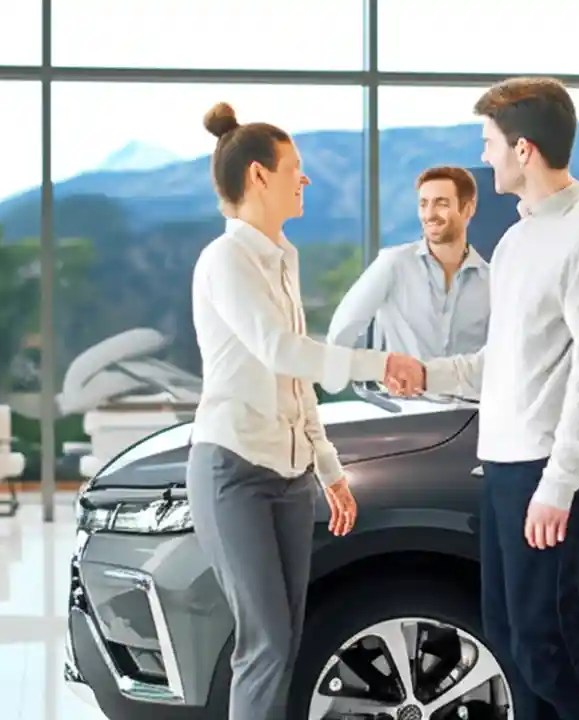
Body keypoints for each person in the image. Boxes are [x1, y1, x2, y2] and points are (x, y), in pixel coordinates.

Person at [396, 77, 579, 720]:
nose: (487, 156)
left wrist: (558, 486)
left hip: (546, 470)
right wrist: (427, 374)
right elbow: (500, 363)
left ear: (523, 148)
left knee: (545, 642)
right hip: (502, 465)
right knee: (511, 640)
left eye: (490, 143)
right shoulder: (518, 240)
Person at [187, 101, 423, 720]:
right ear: (259, 176)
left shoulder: (281, 257)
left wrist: (328, 468)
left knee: (286, 640)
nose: (306, 179)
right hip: (232, 470)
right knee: (263, 644)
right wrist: (378, 364)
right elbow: (280, 349)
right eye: (295, 167)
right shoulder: (226, 259)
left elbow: (294, 380)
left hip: (289, 476)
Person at [327, 165, 491, 360]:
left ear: (468, 209)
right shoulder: (393, 264)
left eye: (441, 203)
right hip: (402, 391)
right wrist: (374, 370)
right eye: (423, 204)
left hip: (470, 391)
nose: (429, 214)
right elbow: (340, 335)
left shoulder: (491, 280)